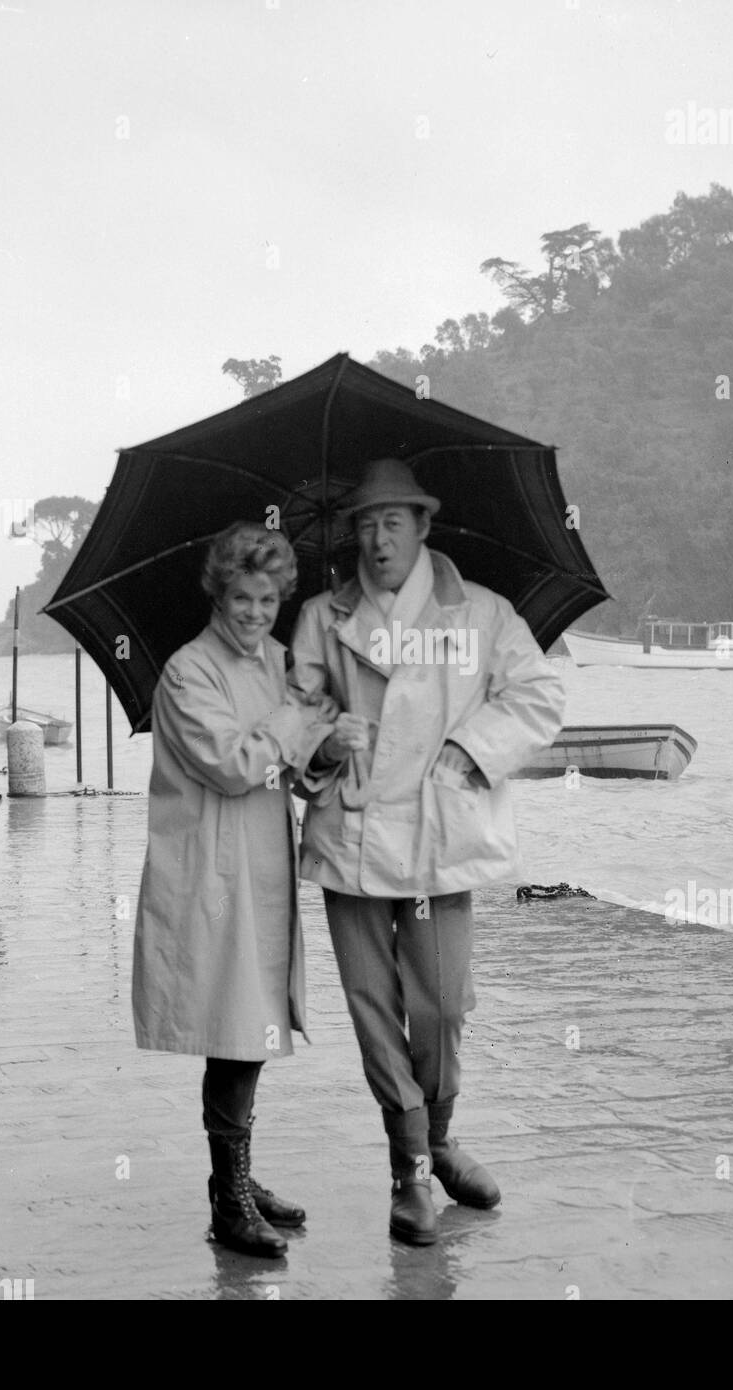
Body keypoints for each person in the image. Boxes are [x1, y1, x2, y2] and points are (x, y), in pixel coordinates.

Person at [290, 457, 566, 1245]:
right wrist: (321, 738)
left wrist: (473, 747)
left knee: (442, 1005)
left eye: (392, 523)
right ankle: (410, 1171)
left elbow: (539, 695)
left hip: (441, 832)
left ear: (422, 526)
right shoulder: (321, 616)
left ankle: (439, 1135)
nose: (377, 540)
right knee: (373, 1007)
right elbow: (293, 710)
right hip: (352, 831)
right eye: (366, 526)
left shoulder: (480, 615)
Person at [132, 521, 336, 1259]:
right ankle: (229, 1199)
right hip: (211, 871)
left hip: (265, 863)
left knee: (253, 1025)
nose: (255, 612)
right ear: (218, 593)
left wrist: (323, 746)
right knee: (233, 1026)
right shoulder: (188, 673)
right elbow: (231, 763)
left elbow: (301, 763)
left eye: (269, 598)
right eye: (242, 597)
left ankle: (242, 1182)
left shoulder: (283, 660)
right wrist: (297, 721)